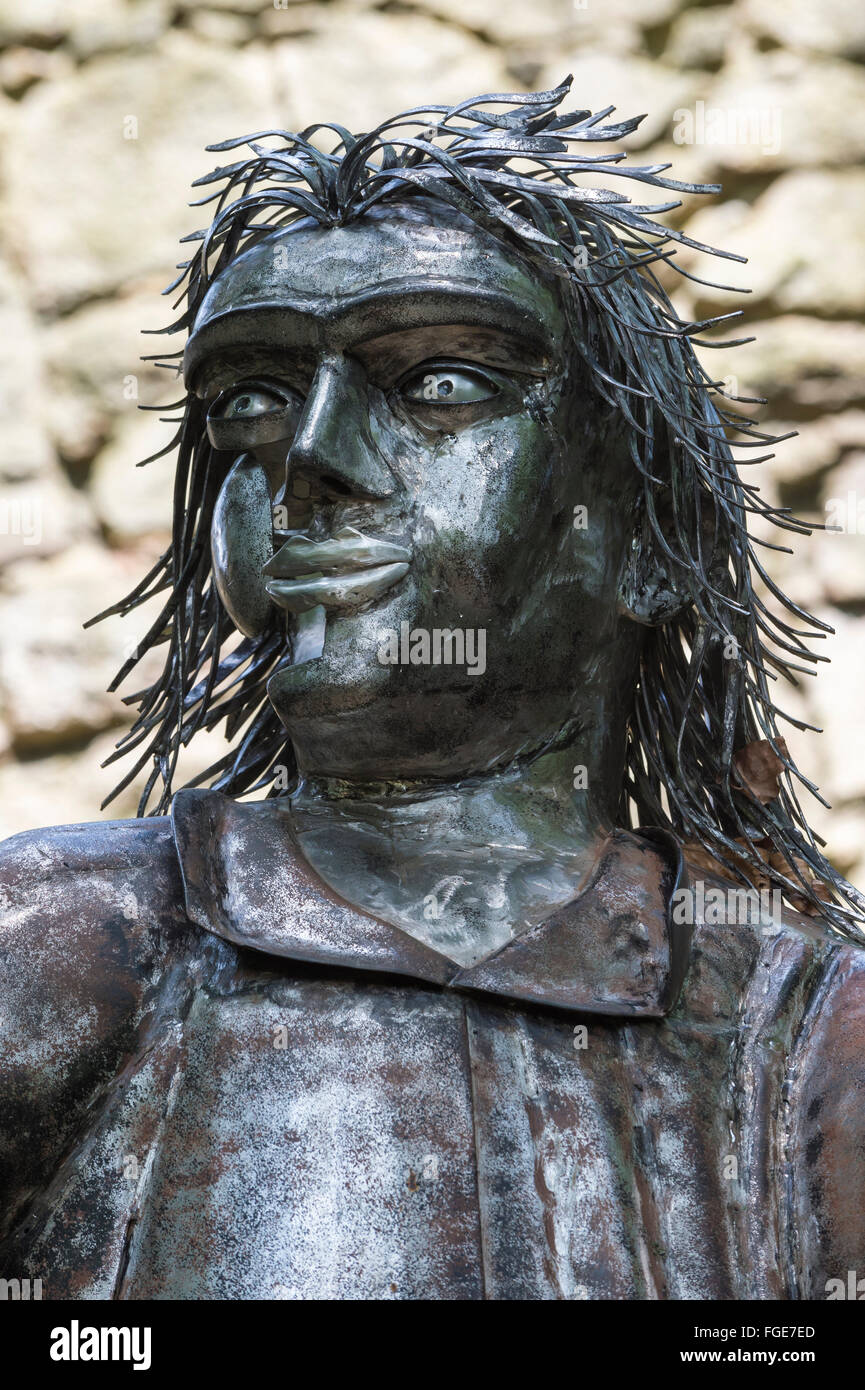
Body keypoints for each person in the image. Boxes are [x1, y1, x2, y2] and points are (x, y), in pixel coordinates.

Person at [1, 78, 863, 1300]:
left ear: (646, 537)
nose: (307, 459)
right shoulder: (56, 947)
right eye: (251, 400)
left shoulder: (802, 1040)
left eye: (440, 383)